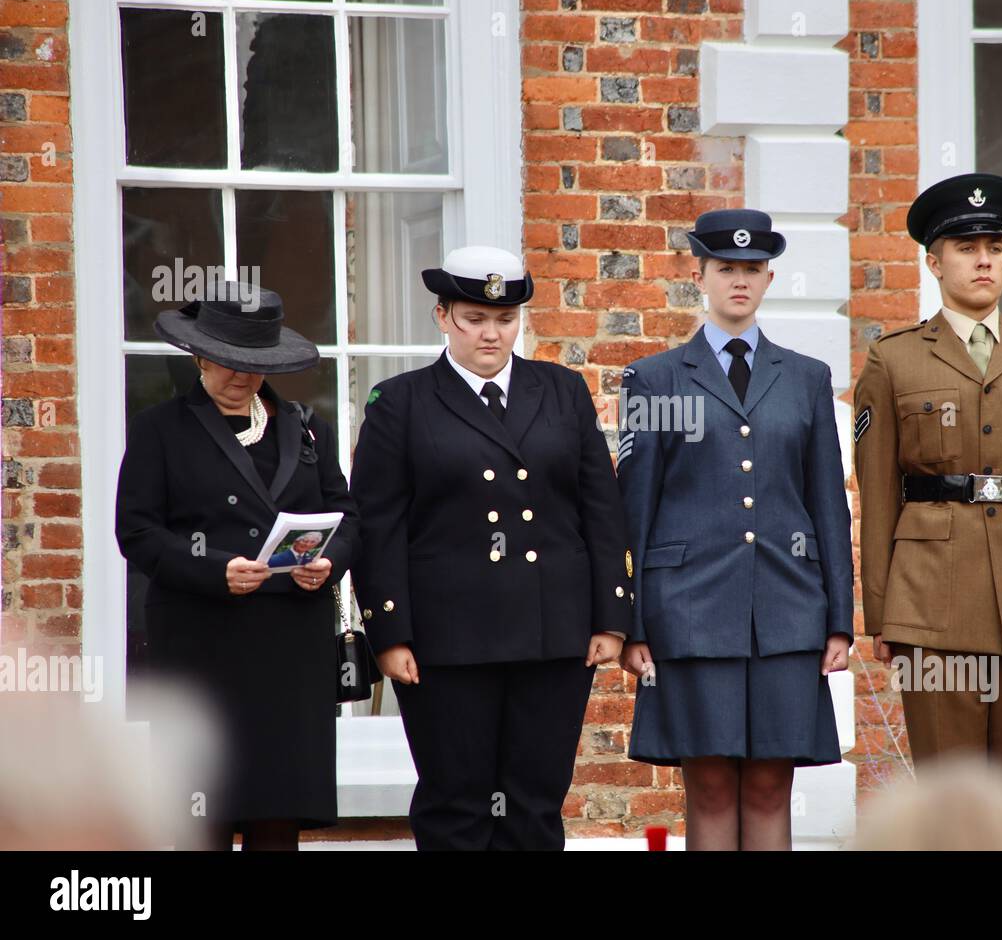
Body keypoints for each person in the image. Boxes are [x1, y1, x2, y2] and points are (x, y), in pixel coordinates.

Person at [349, 246, 632, 850]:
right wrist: (389, 632)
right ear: (443, 316)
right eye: (474, 318)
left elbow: (600, 508)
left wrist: (611, 613)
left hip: (553, 630)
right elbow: (378, 526)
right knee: (457, 803)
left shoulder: (561, 390)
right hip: (446, 638)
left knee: (535, 803)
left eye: (504, 320)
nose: (491, 333)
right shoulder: (399, 403)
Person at [852, 172, 1002, 804]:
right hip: (932, 602)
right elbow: (878, 496)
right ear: (934, 262)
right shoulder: (893, 359)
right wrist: (882, 614)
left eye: (994, 245)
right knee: (948, 806)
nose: (982, 258)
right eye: (965, 247)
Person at [616, 209, 854, 850]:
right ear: (701, 275)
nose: (739, 281)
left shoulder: (806, 378)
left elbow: (827, 501)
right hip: (689, 613)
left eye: (752, 270)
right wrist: (632, 624)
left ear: (770, 277)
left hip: (788, 610)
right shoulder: (654, 378)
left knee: (772, 787)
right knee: (713, 788)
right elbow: (631, 511)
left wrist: (839, 618)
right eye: (726, 269)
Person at [115, 281, 359, 850]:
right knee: (204, 819)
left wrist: (327, 563)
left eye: (254, 364)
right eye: (227, 362)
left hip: (290, 652)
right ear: (200, 355)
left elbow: (347, 516)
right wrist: (213, 568)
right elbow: (137, 532)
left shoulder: (306, 428)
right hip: (204, 646)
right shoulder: (159, 430)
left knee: (277, 816)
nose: (241, 377)